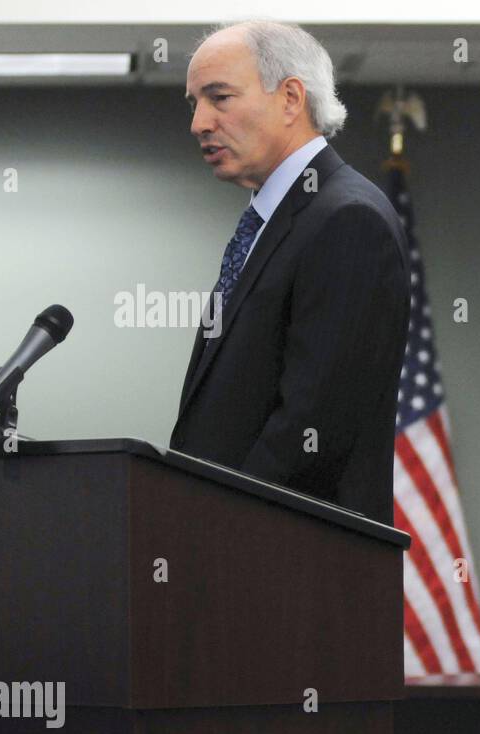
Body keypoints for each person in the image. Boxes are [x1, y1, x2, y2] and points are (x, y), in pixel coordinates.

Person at [169, 20, 409, 525]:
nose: (199, 123)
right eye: (195, 103)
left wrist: (215, 518)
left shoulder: (347, 218)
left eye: (219, 97)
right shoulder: (272, 217)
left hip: (295, 567)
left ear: (291, 99)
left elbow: (314, 427)